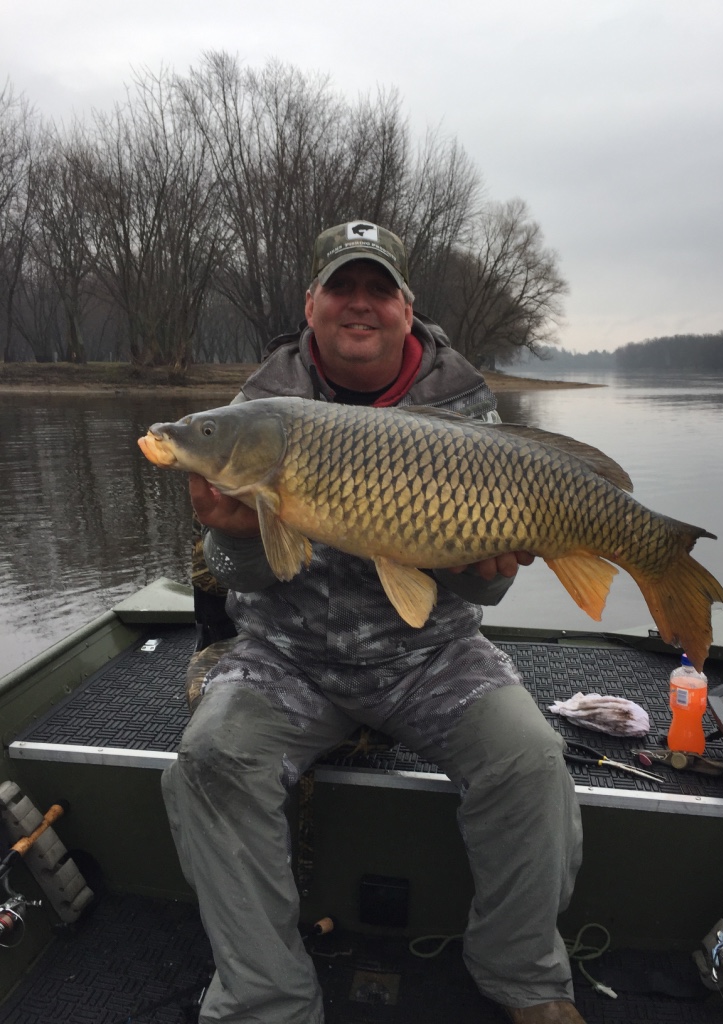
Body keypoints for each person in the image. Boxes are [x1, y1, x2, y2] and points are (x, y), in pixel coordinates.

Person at [162, 220, 585, 1024]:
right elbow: (234, 578)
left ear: (406, 308)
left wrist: (478, 565)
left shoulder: (465, 411)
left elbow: (482, 598)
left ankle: (523, 975)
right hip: (288, 657)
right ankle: (266, 999)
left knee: (531, 761)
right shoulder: (253, 415)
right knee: (209, 759)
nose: (360, 305)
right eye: (343, 289)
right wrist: (229, 533)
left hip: (430, 655)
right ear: (312, 303)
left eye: (378, 290)